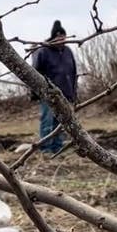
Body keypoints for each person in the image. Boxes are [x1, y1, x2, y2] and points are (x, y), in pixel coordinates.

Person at [31, 20, 77, 154]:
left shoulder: (68, 52)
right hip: (48, 94)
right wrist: (35, 92)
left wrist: (74, 93)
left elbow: (73, 74)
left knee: (61, 122)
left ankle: (57, 147)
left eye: (63, 36)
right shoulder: (44, 51)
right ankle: (46, 149)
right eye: (58, 37)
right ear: (53, 37)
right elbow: (35, 72)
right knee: (47, 120)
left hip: (65, 94)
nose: (61, 39)